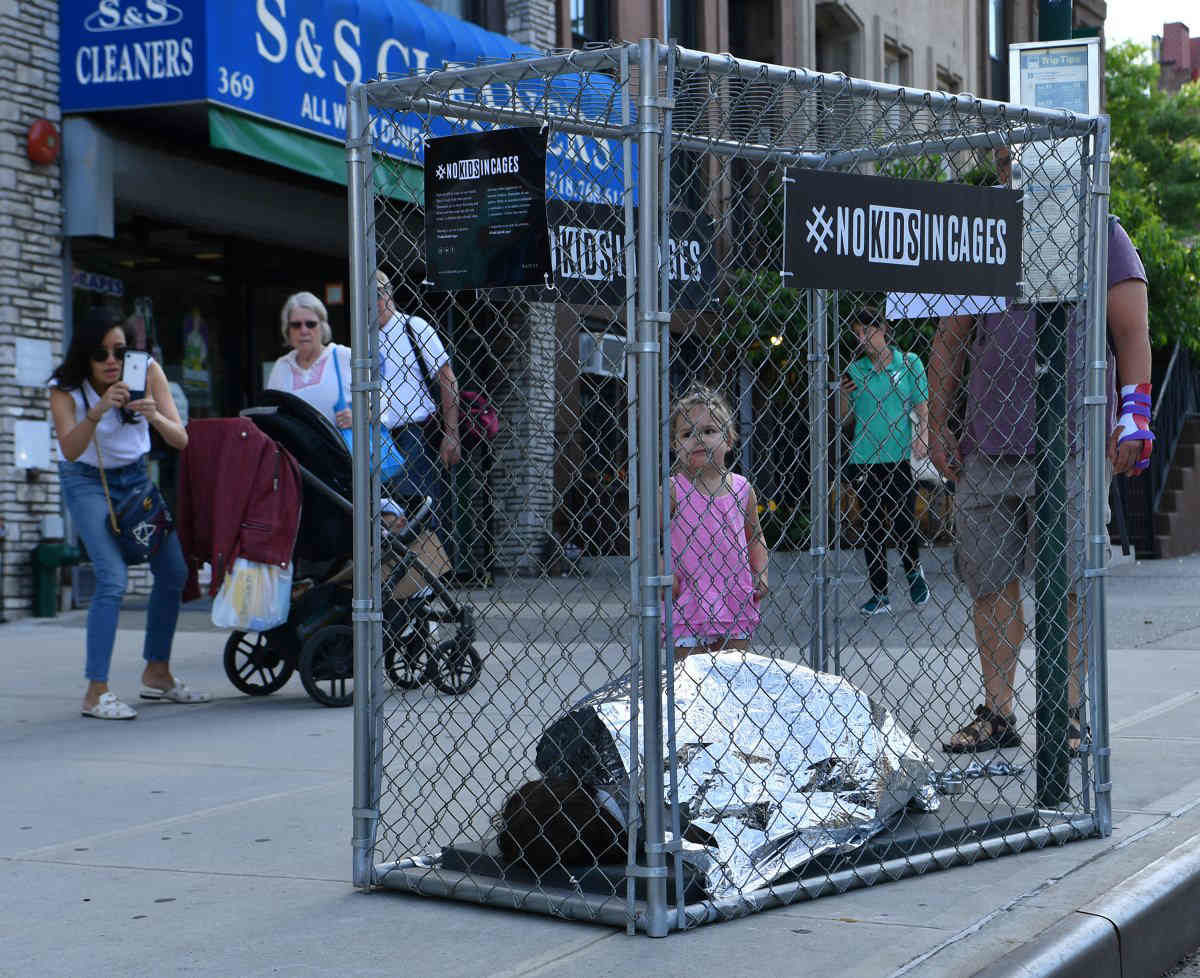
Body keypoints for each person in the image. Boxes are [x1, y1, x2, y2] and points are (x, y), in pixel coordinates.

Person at [929, 146, 1151, 753]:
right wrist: (938, 423)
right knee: (989, 582)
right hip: (987, 446)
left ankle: (1070, 714)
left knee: (1071, 582)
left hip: (1072, 445)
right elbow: (950, 336)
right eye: (1003, 162)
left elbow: (1131, 331)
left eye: (1022, 159)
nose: (1010, 170)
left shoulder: (1100, 230)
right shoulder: (982, 233)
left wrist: (1136, 418)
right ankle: (998, 714)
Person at [49, 307, 209, 720]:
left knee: (173, 572)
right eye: (100, 354)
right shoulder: (65, 387)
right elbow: (68, 448)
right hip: (87, 480)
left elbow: (181, 440)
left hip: (136, 480)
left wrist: (153, 413)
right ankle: (96, 691)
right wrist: (99, 410)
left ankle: (157, 672)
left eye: (119, 351)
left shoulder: (147, 372)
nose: (110, 362)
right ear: (85, 356)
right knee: (112, 579)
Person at [839, 305, 931, 616]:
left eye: (867, 331)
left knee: (904, 521)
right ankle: (880, 594)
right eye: (857, 333)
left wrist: (923, 436)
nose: (862, 338)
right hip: (865, 458)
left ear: (883, 330)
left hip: (897, 456)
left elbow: (921, 405)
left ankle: (914, 573)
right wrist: (841, 393)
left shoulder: (909, 363)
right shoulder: (856, 370)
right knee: (873, 526)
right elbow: (843, 419)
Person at [668, 386, 768, 656]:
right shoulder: (673, 489)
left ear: (729, 439)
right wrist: (664, 572)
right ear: (676, 445)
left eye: (709, 431)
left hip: (734, 598)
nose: (698, 439)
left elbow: (755, 537)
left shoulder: (742, 488)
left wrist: (760, 573)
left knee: (732, 676)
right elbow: (648, 534)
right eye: (687, 434)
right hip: (687, 601)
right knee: (690, 682)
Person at [377, 267, 461, 533]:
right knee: (384, 514)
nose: (373, 303)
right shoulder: (362, 336)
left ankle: (430, 572)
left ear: (389, 295)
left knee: (417, 513)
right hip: (377, 436)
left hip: (414, 434)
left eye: (377, 295)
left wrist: (451, 433)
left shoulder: (413, 327)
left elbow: (447, 377)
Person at [265, 292, 352, 430]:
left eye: (311, 324)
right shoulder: (281, 366)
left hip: (342, 449)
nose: (304, 330)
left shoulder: (343, 356)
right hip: (295, 450)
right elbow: (271, 415)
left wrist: (361, 418)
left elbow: (381, 403)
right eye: (296, 325)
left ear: (323, 327)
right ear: (287, 330)